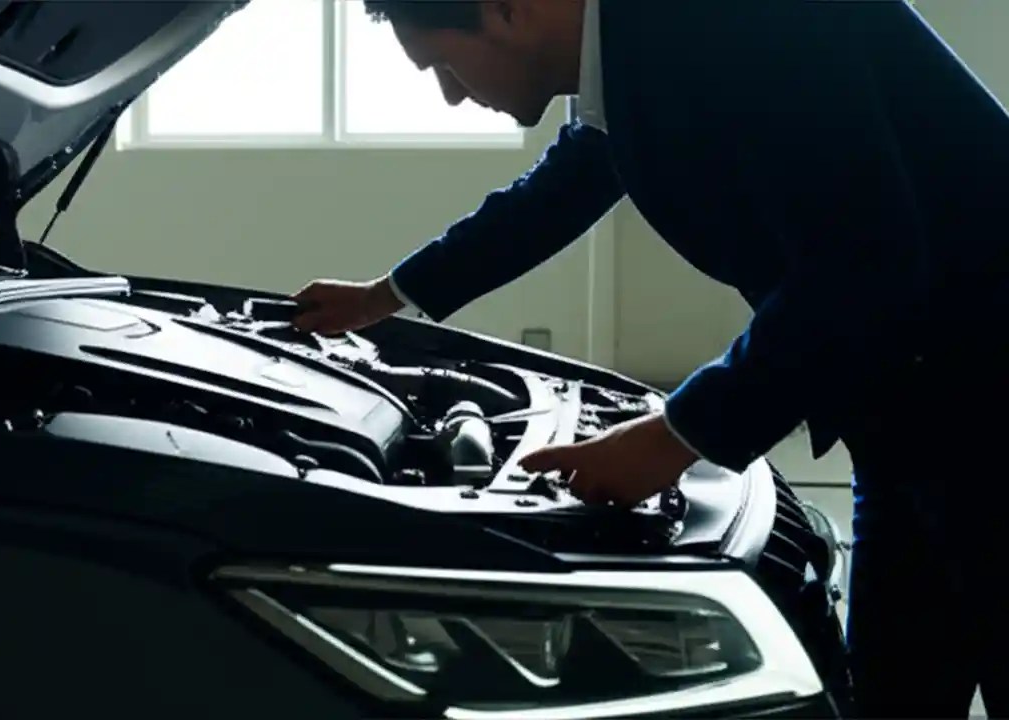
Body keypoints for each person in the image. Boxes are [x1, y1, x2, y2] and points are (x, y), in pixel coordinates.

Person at [290, 0, 1009, 717]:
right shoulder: (640, 43)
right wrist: (387, 295)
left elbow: (865, 263)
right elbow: (566, 184)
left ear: (510, 10)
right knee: (893, 695)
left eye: (444, 63)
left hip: (983, 396)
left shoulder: (734, 24)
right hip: (912, 414)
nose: (449, 92)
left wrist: (676, 436)